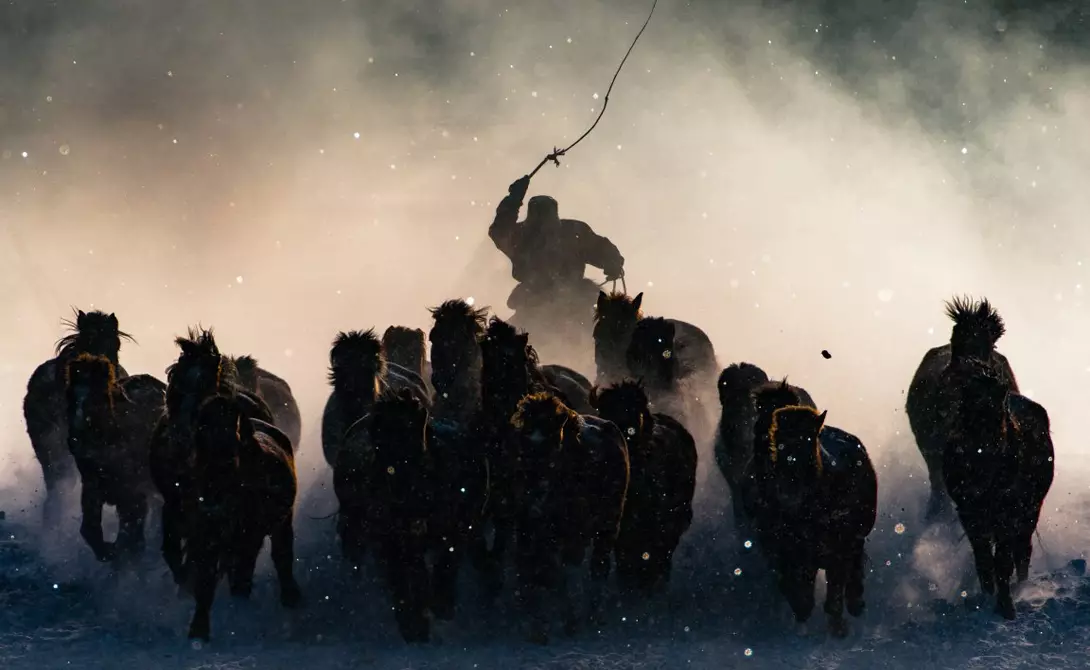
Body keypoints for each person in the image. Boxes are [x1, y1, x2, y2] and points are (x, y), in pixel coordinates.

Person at [488, 175, 625, 327]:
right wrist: (513, 198)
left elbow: (499, 230)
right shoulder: (573, 232)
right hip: (542, 306)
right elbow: (601, 248)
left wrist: (513, 198)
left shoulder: (523, 235)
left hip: (566, 305)